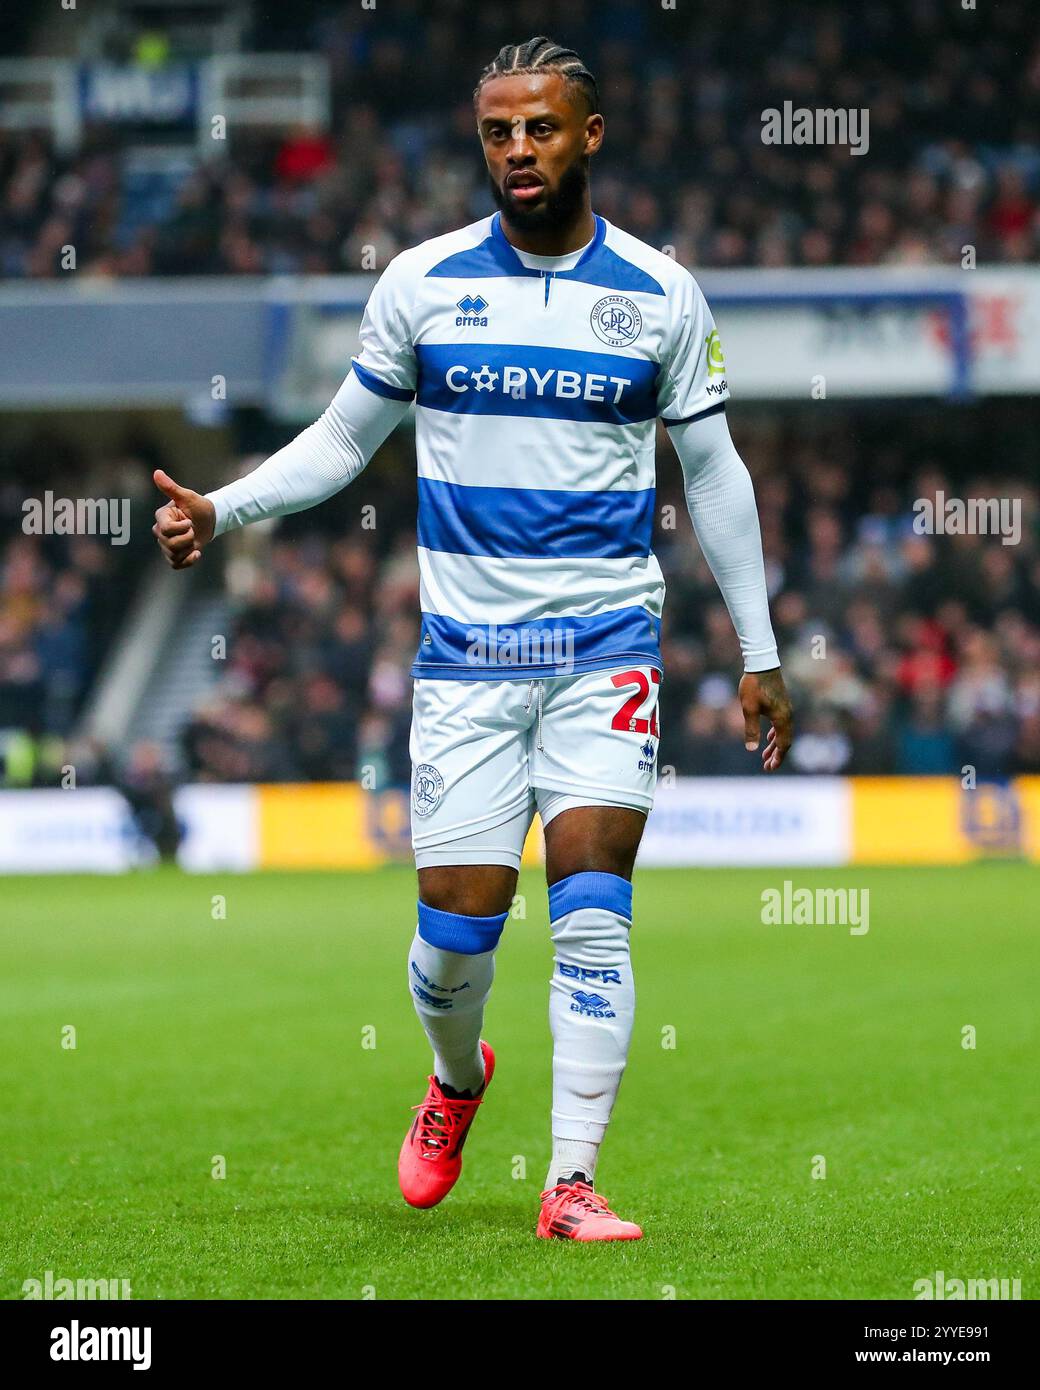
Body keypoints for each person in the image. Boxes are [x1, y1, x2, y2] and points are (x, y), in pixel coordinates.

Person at [152, 36, 793, 1242]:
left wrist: (758, 654)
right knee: (452, 947)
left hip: (605, 652)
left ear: (587, 134)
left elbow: (712, 475)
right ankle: (456, 1079)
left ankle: (570, 1180)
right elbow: (343, 444)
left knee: (592, 908)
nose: (516, 151)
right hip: (464, 664)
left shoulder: (659, 292)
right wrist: (221, 506)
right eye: (497, 131)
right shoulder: (420, 283)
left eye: (539, 128)